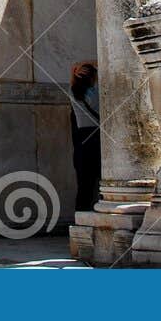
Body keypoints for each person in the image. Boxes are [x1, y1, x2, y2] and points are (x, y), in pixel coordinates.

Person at [69, 60, 100, 212]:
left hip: (82, 139)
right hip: (97, 136)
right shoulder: (95, 93)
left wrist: (76, 72)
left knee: (84, 184)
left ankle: (81, 216)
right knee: (99, 181)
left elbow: (73, 73)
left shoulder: (73, 92)